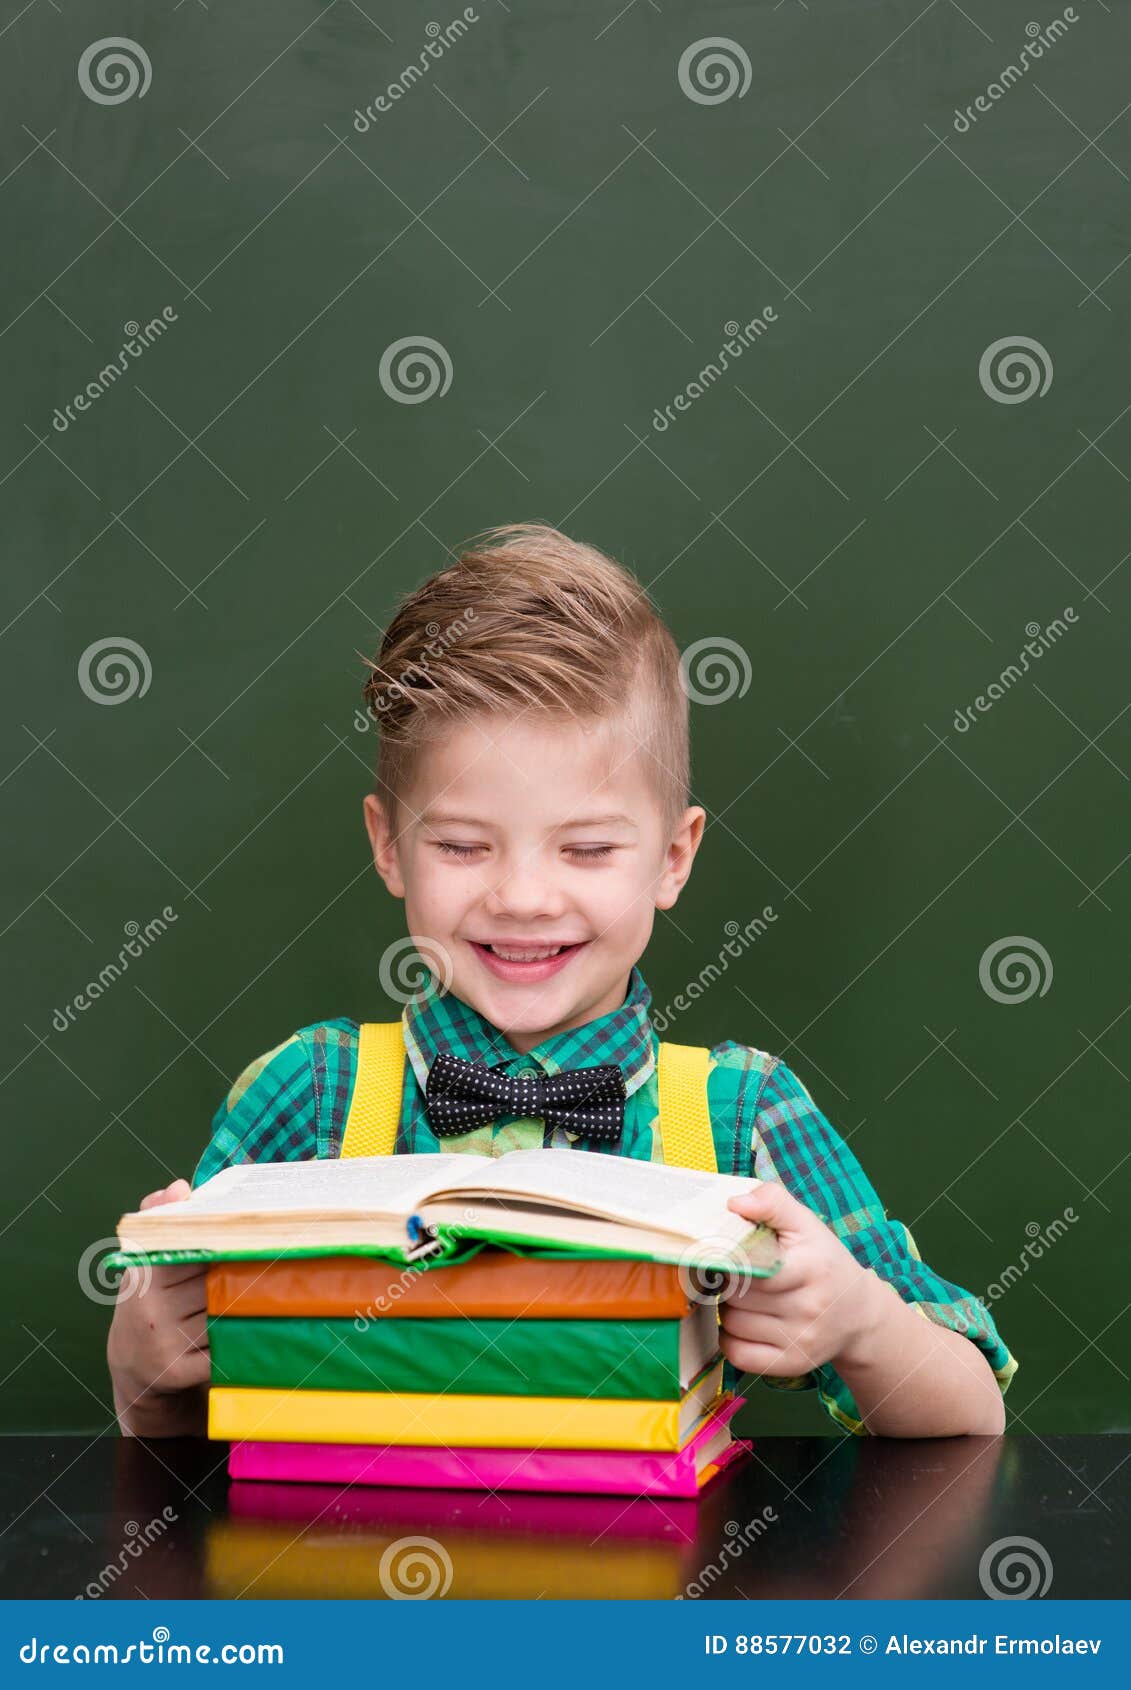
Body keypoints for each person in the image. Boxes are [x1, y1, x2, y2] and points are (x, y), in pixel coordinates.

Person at [107, 523, 1015, 1438]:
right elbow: (175, 1443)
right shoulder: (307, 1095)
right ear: (389, 846)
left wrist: (857, 1322)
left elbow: (970, 1412)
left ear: (672, 856)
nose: (524, 897)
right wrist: (144, 1360)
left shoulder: (743, 1115)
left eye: (585, 849)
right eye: (462, 846)